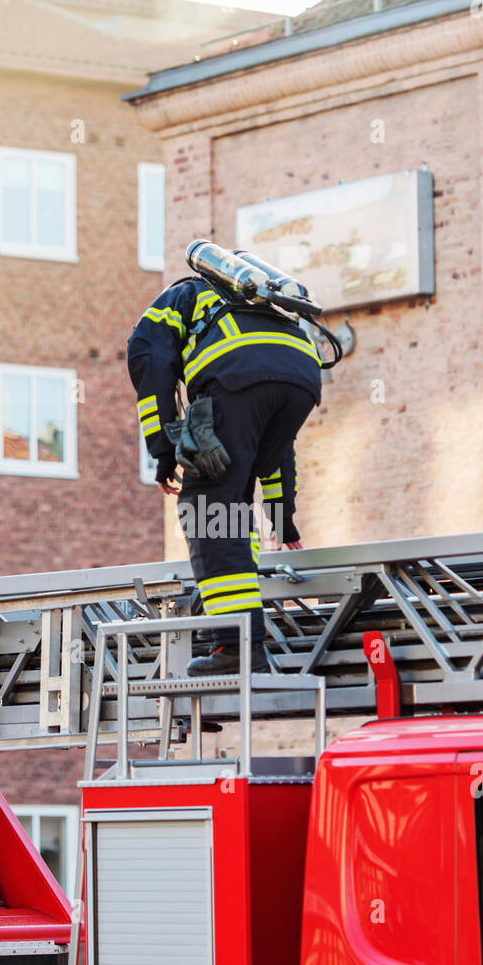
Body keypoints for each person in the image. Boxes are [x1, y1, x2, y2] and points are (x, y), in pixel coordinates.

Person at [128, 250, 322, 675]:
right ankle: (229, 611)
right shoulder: (265, 306)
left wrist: (163, 448)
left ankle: (237, 648)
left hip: (235, 372)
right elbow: (277, 451)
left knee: (207, 506)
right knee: (234, 493)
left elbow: (149, 357)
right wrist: (282, 518)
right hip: (303, 374)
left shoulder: (183, 293)